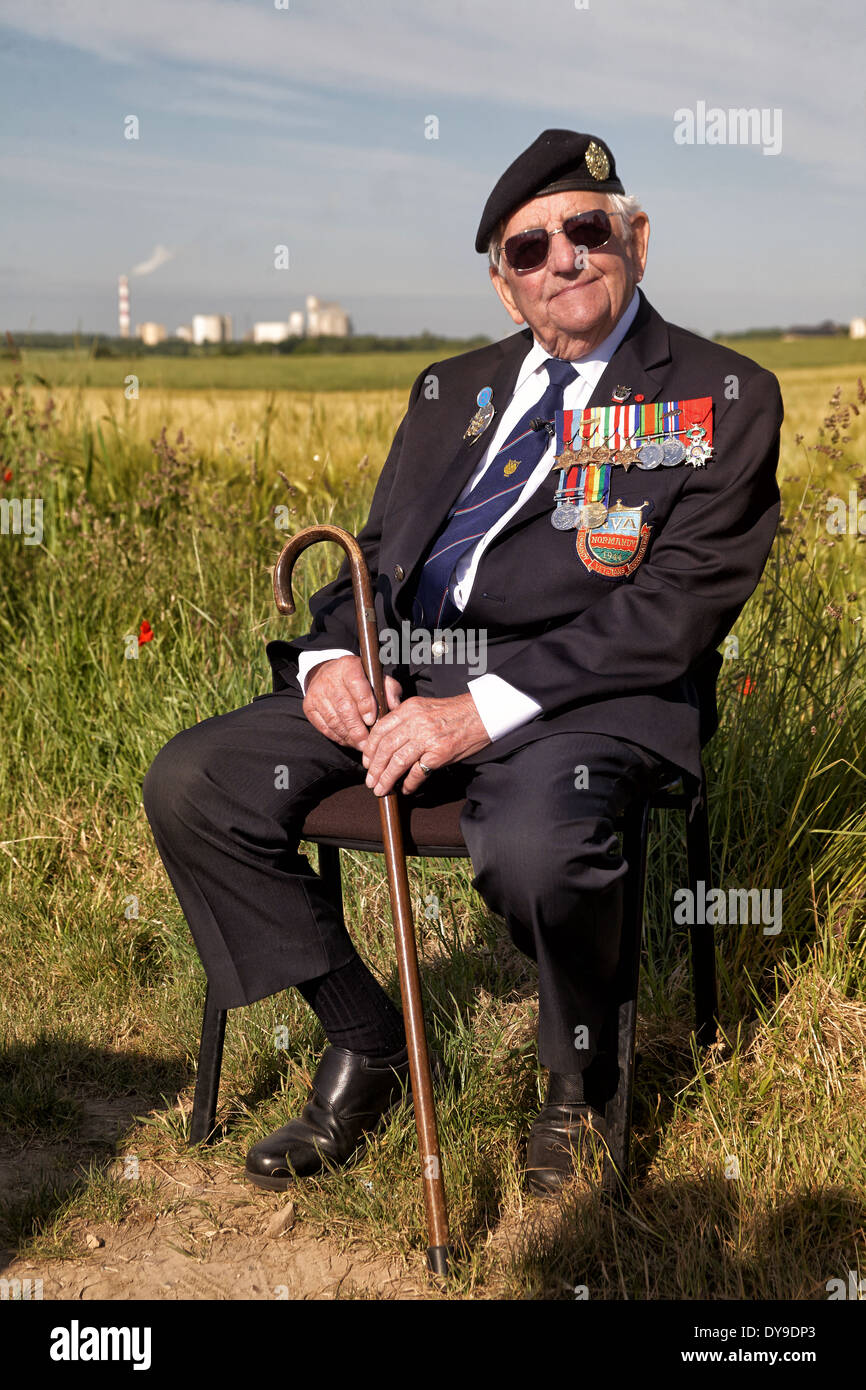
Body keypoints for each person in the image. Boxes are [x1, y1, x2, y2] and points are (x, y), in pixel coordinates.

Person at [143, 129, 782, 1197]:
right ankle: (367, 1039)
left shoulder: (721, 393)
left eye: (586, 230)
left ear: (634, 239)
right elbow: (379, 555)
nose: (563, 260)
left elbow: (673, 610)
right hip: (406, 678)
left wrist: (476, 712)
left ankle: (581, 1076)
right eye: (528, 250)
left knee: (538, 845)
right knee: (195, 782)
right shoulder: (452, 389)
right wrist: (330, 657)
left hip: (582, 698)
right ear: (501, 284)